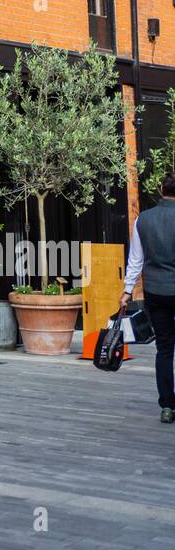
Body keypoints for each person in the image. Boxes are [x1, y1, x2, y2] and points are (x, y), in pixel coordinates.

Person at [122, 172, 175, 423]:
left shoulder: (143, 220)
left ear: (161, 190)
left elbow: (135, 261)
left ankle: (167, 406)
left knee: (164, 349)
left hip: (156, 292)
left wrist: (127, 291)